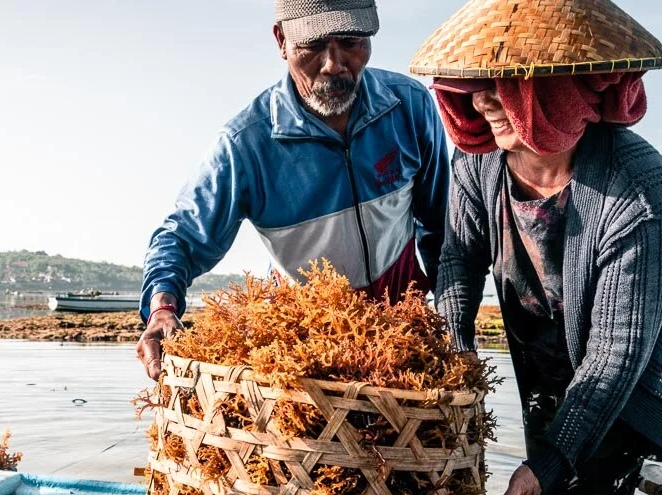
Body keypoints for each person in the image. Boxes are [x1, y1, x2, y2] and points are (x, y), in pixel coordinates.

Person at [409, 0, 662, 495]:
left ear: (558, 91)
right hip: (546, 356)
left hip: (631, 373)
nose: (482, 100)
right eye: (475, 84)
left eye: (502, 85)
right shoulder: (479, 166)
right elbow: (457, 266)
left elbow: (616, 352)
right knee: (541, 482)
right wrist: (452, 378)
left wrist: (546, 465)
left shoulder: (636, 184)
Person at [136, 0, 451, 380]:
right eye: (314, 45)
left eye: (350, 41)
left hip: (402, 341)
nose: (334, 64)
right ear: (282, 39)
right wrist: (161, 309)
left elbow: (442, 230)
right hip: (302, 353)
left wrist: (451, 320)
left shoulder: (409, 106)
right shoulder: (246, 144)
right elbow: (182, 238)